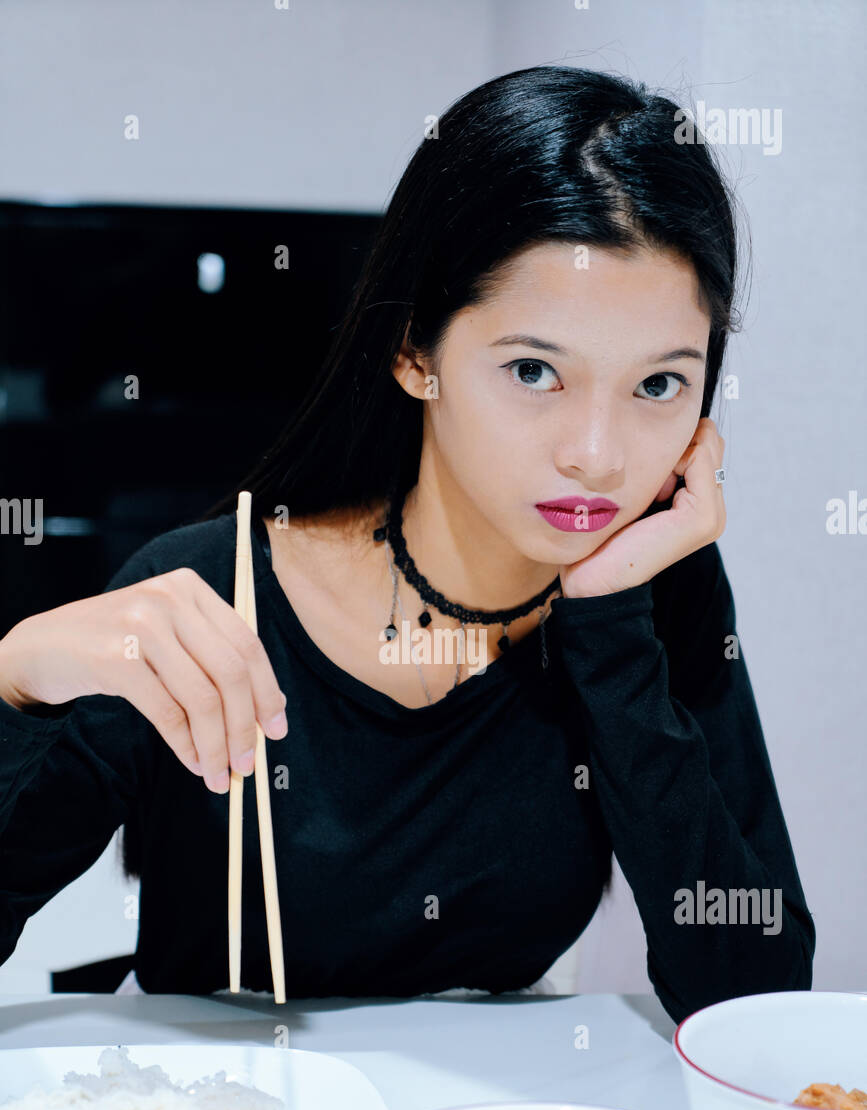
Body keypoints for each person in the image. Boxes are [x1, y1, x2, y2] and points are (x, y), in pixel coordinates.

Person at [0, 66, 814, 1022]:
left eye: (657, 386)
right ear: (415, 352)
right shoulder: (212, 597)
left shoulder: (654, 593)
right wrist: (14, 683)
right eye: (532, 370)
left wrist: (612, 626)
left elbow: (753, 996)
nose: (597, 457)